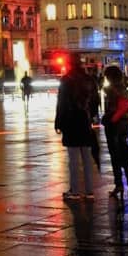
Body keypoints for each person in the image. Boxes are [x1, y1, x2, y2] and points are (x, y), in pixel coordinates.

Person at [55, 60, 97, 201]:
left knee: (73, 160)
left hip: (71, 122)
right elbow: (95, 101)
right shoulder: (89, 80)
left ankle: (75, 191)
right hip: (85, 122)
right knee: (87, 158)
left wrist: (58, 122)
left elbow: (61, 103)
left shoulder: (66, 80)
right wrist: (91, 117)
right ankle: (89, 191)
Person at [102, 66, 128, 199]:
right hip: (124, 125)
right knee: (124, 153)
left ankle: (119, 184)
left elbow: (112, 109)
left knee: (115, 156)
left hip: (114, 125)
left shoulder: (112, 91)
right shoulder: (124, 89)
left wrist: (107, 119)